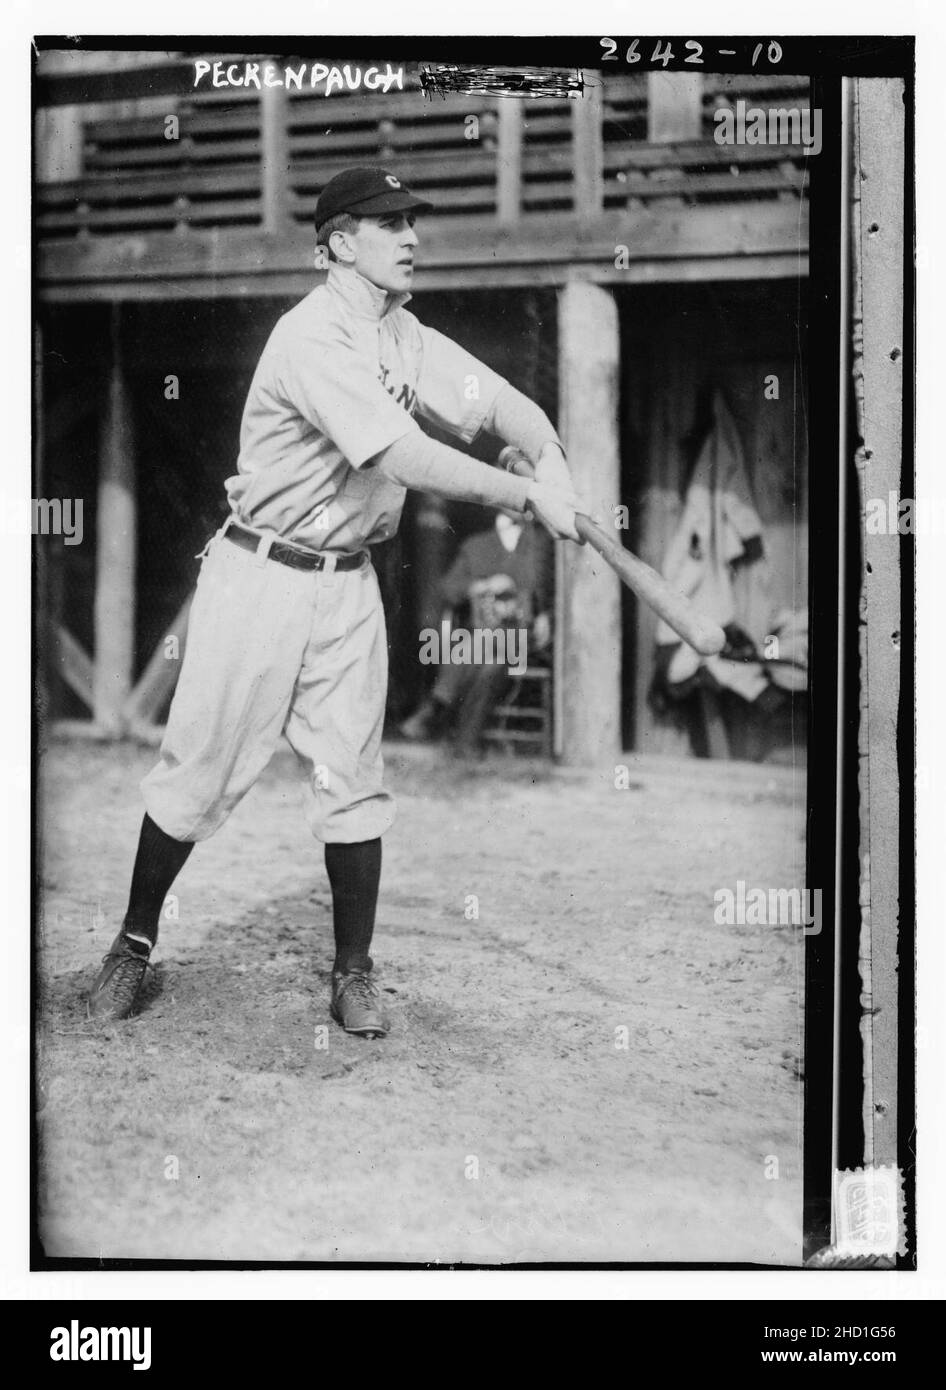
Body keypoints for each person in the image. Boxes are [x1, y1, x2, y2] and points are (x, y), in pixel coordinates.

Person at [87, 166, 579, 1039]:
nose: (411, 236)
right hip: (260, 576)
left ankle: (354, 972)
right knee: (198, 773)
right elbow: (403, 455)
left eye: (412, 221)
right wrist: (521, 499)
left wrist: (550, 459)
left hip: (347, 581)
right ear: (339, 244)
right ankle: (131, 945)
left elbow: (500, 402)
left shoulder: (405, 334)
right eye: (389, 224)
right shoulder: (310, 337)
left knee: (354, 780)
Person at [400, 508, 552, 753]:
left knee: (478, 644)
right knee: (489, 666)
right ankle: (466, 743)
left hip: (522, 639)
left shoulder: (538, 544)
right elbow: (449, 588)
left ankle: (435, 706)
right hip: (486, 642)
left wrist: (540, 610)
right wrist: (479, 586)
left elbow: (550, 593)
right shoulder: (477, 546)